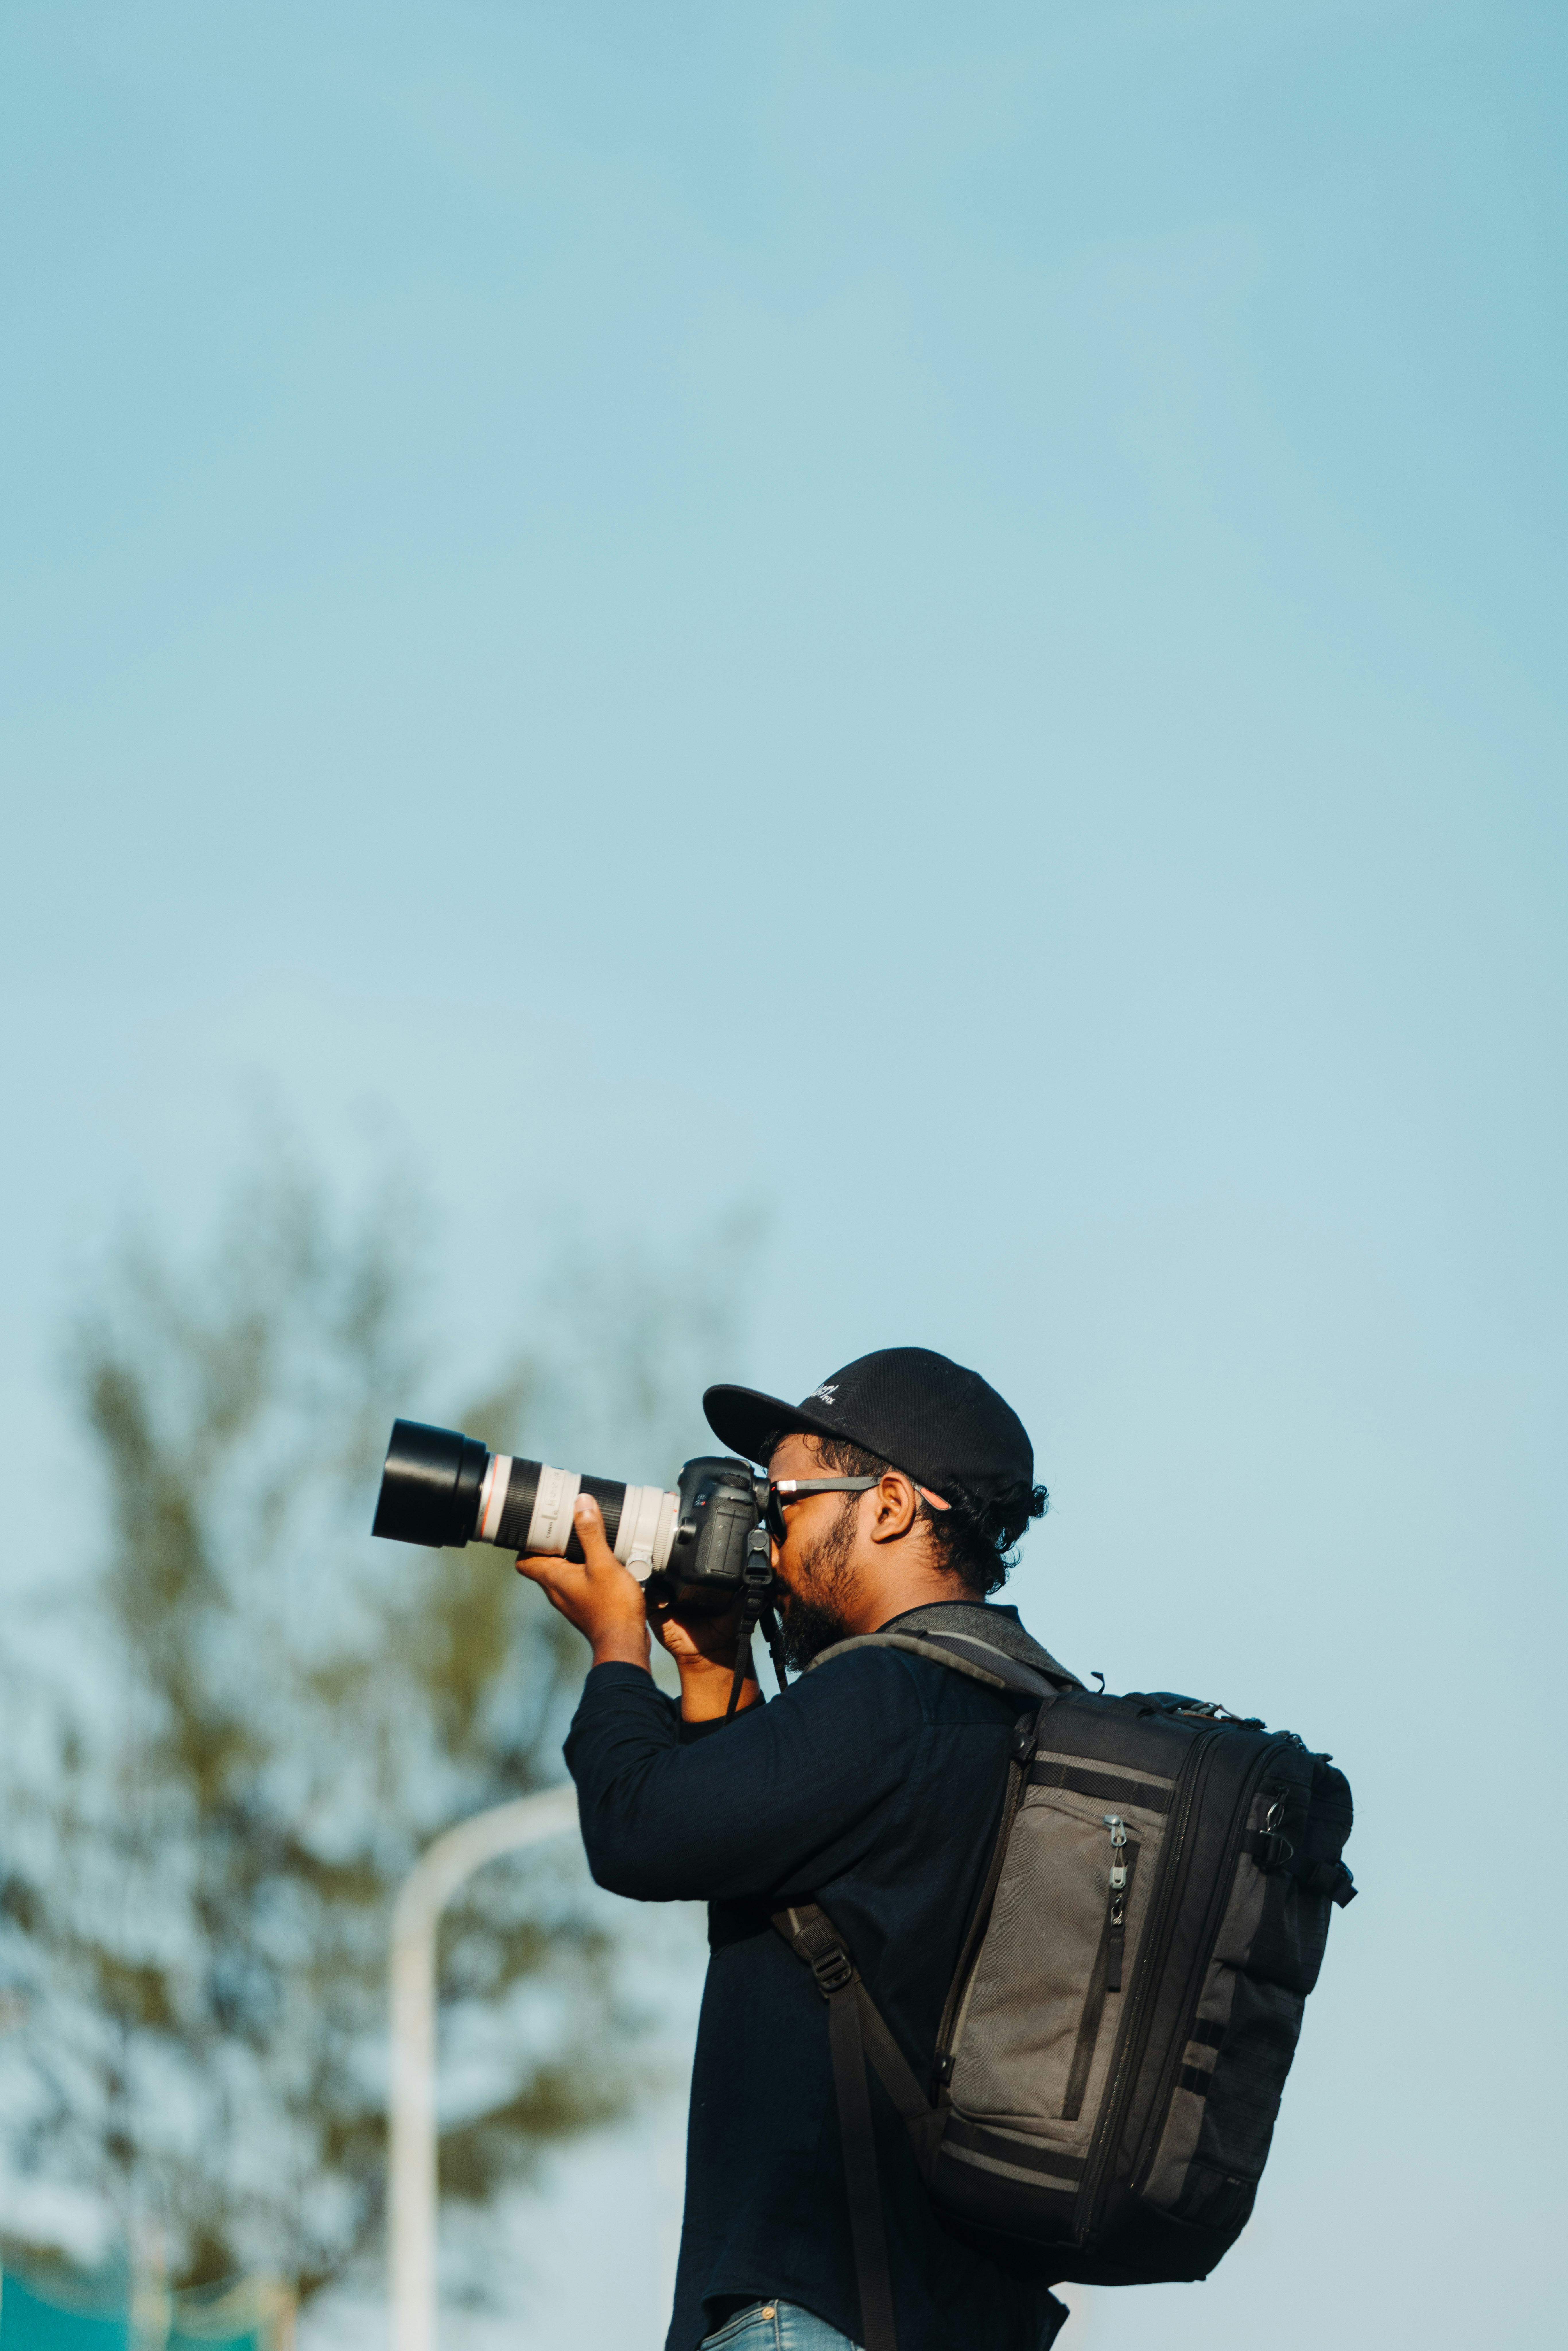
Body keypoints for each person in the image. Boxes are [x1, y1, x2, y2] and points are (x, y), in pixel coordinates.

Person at [517, 1347, 1078, 2351]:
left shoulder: (883, 1696)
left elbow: (641, 1833)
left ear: (893, 1506)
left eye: (784, 1505)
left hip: (810, 2311)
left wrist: (616, 1650)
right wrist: (713, 1673)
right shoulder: (1017, 1716)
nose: (765, 1540)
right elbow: (761, 1876)